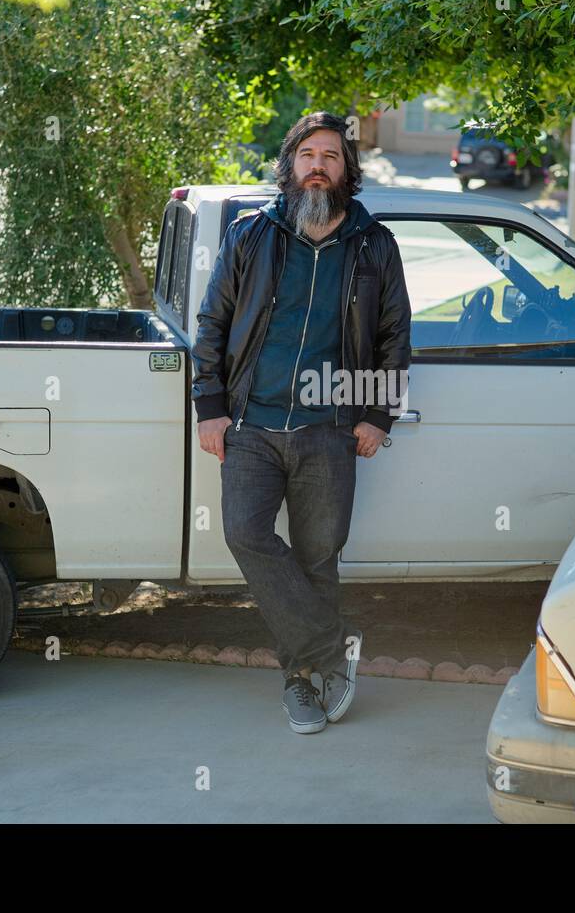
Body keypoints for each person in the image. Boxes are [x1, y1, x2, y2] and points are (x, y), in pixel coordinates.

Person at [190, 111, 412, 734]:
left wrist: (376, 415)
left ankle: (301, 682)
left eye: (332, 156)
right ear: (289, 167)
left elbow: (394, 336)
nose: (319, 165)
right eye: (308, 154)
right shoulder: (250, 235)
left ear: (347, 171)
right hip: (252, 426)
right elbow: (213, 324)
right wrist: (210, 406)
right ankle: (331, 648)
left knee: (319, 556)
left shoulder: (374, 245)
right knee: (244, 534)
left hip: (329, 430)